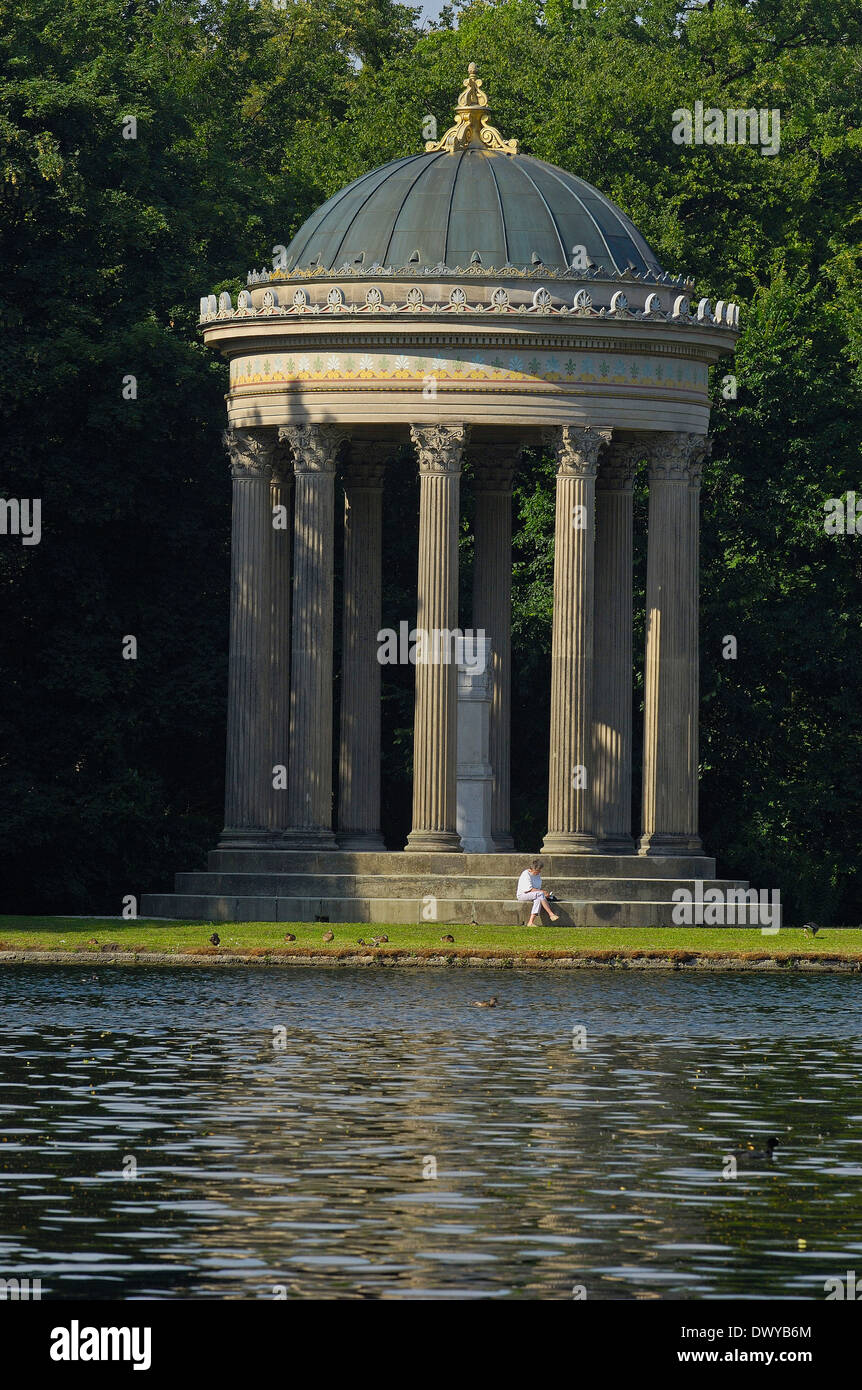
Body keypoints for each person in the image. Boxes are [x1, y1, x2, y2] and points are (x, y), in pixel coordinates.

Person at [516, 859, 559, 925]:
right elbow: (529, 889)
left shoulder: (538, 875)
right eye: (537, 870)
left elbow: (537, 889)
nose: (539, 872)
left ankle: (530, 922)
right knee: (540, 894)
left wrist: (545, 894)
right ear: (532, 869)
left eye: (539, 870)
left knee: (538, 899)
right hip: (523, 895)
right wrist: (543, 892)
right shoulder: (526, 874)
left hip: (534, 894)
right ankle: (551, 914)